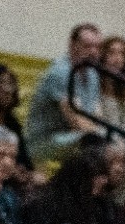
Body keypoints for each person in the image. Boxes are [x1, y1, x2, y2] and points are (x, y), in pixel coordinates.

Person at [25, 25, 103, 165]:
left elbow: (97, 116)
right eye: (87, 46)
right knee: (95, 141)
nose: (93, 52)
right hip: (45, 142)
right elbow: (76, 121)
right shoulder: (61, 72)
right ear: (72, 46)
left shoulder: (93, 74)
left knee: (116, 141)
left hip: (71, 137)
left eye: (97, 47)